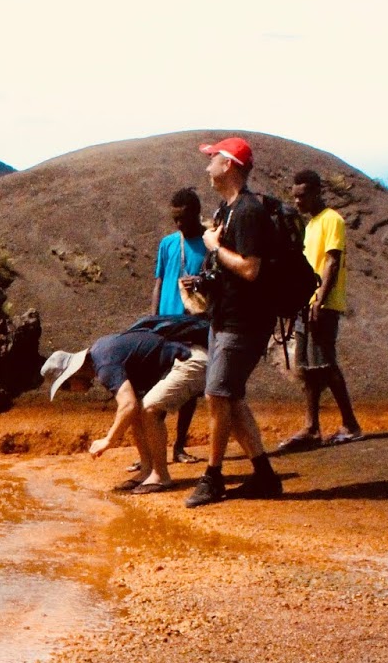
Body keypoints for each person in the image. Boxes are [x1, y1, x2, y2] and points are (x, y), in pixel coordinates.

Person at [181, 137, 283, 507]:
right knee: (231, 396)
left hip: (244, 321)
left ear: (229, 165)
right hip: (226, 317)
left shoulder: (249, 212)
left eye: (212, 159)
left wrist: (214, 249)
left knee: (217, 394)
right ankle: (265, 477)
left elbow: (250, 269)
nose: (207, 166)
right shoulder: (228, 211)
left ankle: (213, 478)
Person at [42, 326, 208, 495]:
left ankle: (161, 476)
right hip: (184, 360)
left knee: (149, 409)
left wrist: (109, 440)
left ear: (73, 373)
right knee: (137, 413)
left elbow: (128, 405)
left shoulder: (103, 364)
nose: (70, 391)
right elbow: (131, 406)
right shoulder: (100, 355)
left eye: (66, 386)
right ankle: (146, 469)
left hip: (191, 361)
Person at [274, 169, 363, 452]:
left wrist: (320, 299)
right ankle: (311, 427)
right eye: (294, 197)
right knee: (307, 368)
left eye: (302, 196)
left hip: (322, 304)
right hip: (305, 303)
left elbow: (331, 261)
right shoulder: (309, 225)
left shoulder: (331, 220)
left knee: (325, 364)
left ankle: (350, 424)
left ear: (316, 192)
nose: (297, 202)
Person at [151, 188, 210, 464]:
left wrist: (199, 283)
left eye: (183, 219)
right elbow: (159, 282)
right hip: (165, 324)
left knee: (189, 387)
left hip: (195, 325)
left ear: (197, 214)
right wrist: (152, 321)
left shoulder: (210, 245)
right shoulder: (167, 243)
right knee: (158, 383)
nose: (178, 225)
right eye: (175, 219)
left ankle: (179, 447)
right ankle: (153, 448)